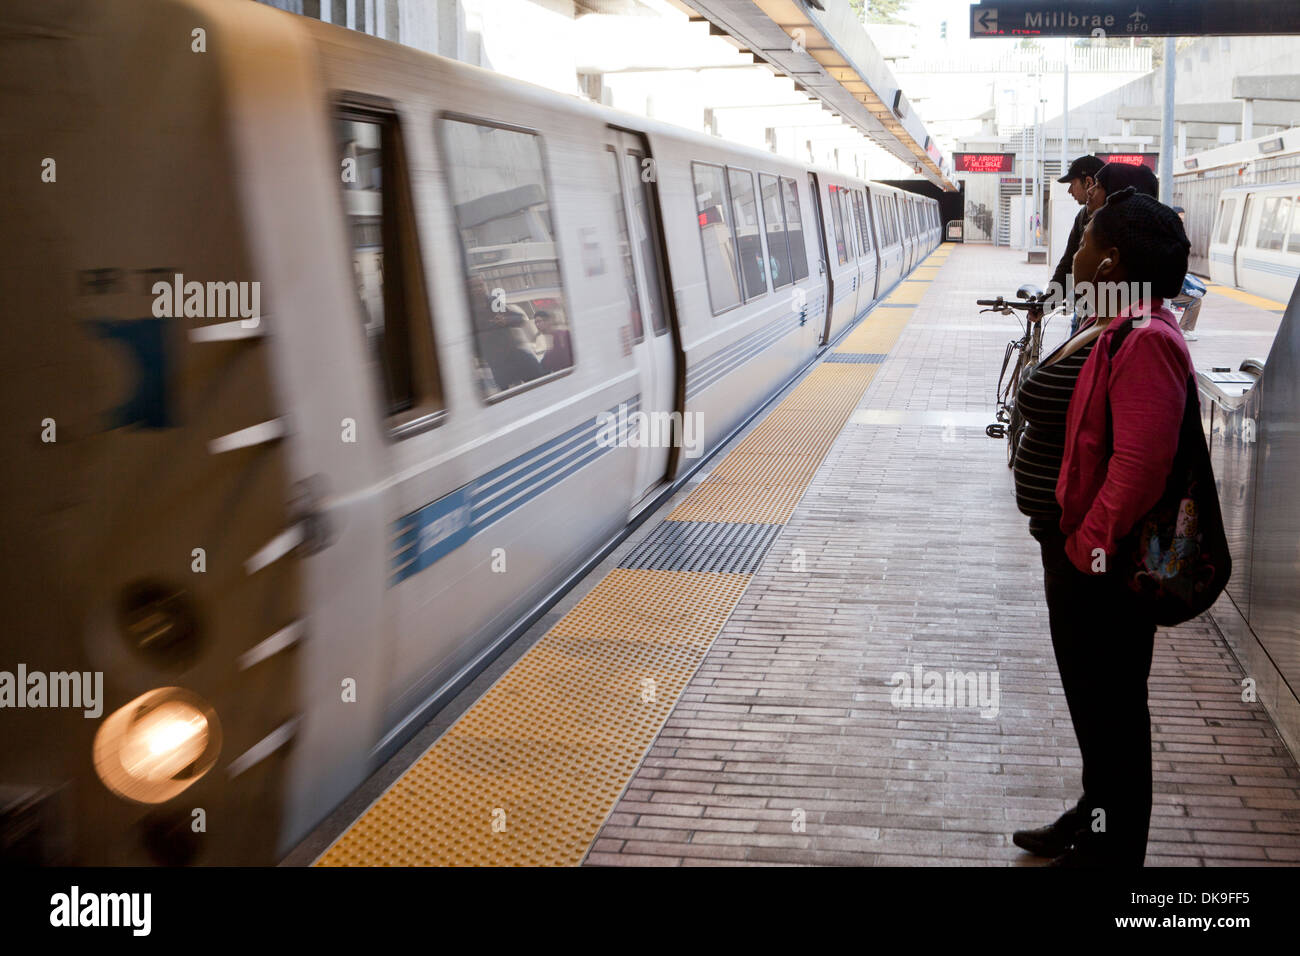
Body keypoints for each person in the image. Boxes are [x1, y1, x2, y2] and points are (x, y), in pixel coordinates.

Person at [1010, 186, 1193, 866]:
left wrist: (1088, 543)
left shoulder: (1145, 339)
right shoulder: (1113, 322)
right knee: (1096, 706)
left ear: (1111, 261)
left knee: (1112, 710)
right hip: (1076, 550)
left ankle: (1112, 856)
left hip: (1100, 561)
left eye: (1085, 241)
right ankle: (1093, 816)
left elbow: (1142, 461)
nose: (1076, 253)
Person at [1045, 155, 1104, 327]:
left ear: (1088, 182)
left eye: (1072, 184)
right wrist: (1047, 302)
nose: (1070, 191)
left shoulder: (1113, 221)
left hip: (1106, 315)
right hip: (1083, 310)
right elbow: (1068, 263)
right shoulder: (1083, 216)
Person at [535, 309, 573, 375]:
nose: (537, 325)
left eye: (539, 321)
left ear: (548, 321)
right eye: (535, 322)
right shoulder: (548, 339)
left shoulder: (563, 335)